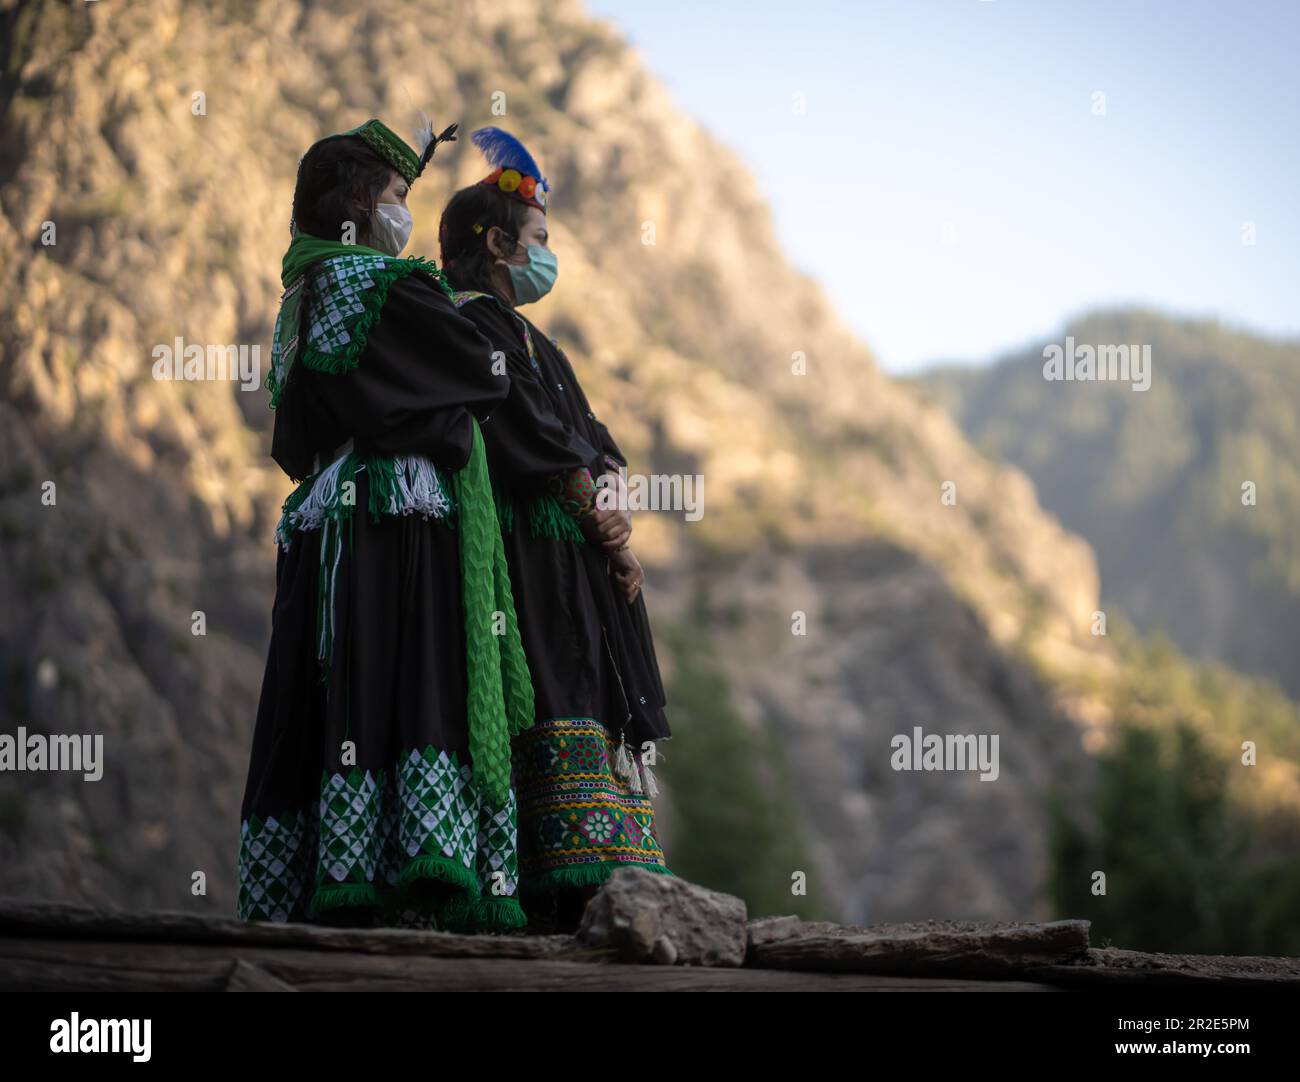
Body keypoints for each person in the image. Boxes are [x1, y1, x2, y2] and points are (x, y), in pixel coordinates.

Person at [237, 118, 536, 933]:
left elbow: (292, 441)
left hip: (325, 519)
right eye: (400, 197)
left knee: (327, 695)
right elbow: (483, 372)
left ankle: (327, 874)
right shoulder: (387, 288)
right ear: (362, 204)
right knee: (411, 681)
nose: (404, 215)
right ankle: (415, 881)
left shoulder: (298, 304)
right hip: (399, 518)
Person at [437, 127, 674, 934]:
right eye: (539, 239)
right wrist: (601, 521)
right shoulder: (466, 326)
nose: (548, 253)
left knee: (586, 694)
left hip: (571, 556)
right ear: (498, 243)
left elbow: (597, 442)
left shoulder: (539, 342)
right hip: (524, 557)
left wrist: (614, 506)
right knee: (547, 695)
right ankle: (556, 893)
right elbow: (530, 438)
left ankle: (604, 886)